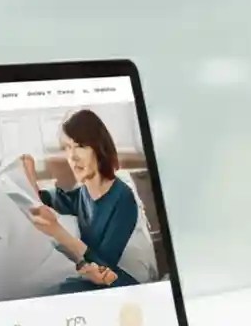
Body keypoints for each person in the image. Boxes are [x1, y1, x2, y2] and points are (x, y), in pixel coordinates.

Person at [21, 109, 159, 293]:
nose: (72, 157)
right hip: (95, 280)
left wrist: (60, 233)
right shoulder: (81, 195)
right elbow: (42, 201)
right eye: (67, 148)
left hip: (124, 283)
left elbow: (105, 271)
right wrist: (28, 171)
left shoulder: (122, 198)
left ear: (99, 147)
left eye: (80, 146)